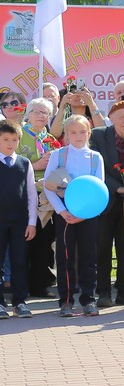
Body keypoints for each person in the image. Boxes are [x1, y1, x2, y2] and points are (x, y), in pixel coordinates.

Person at [43, 115, 106, 316]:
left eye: (82, 132)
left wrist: (85, 214)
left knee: (88, 256)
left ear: (89, 133)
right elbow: (48, 186)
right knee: (65, 257)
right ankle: (66, 300)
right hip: (65, 213)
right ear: (66, 135)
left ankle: (89, 299)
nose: (78, 136)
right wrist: (62, 211)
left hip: (88, 214)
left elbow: (99, 189)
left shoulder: (95, 157)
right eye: (73, 132)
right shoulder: (58, 155)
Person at [90, 101, 124, 307]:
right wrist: (119, 188)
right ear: (111, 118)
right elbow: (96, 165)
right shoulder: (98, 135)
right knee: (102, 248)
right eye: (122, 117)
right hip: (106, 200)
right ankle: (103, 292)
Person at [17, 97, 59, 297]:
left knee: (44, 241)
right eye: (37, 111)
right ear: (29, 114)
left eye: (46, 113)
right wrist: (35, 166)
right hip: (22, 194)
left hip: (46, 196)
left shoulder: (49, 138)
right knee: (23, 240)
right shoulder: (18, 134)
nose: (42, 116)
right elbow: (10, 165)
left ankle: (39, 285)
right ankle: (20, 286)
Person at [0, 120, 36, 318]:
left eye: (14, 140)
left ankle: (19, 302)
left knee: (19, 261)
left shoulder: (24, 163)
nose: (10, 143)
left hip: (20, 222)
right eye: (6, 139)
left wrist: (32, 222)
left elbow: (31, 194)